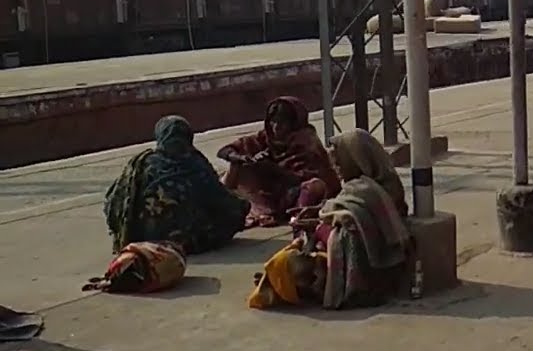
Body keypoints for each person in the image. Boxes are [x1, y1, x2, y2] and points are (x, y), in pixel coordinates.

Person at [251, 129, 411, 311]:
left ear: (356, 160)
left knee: (289, 262)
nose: (337, 171)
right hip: (363, 262)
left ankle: (277, 284)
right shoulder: (385, 184)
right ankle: (276, 281)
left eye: (340, 165)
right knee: (293, 259)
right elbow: (343, 209)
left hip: (362, 267)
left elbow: (350, 223)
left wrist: (318, 225)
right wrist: (320, 214)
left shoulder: (363, 188)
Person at [103, 115, 249, 255]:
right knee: (237, 209)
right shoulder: (194, 163)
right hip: (190, 241)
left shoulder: (141, 163)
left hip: (143, 241)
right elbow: (222, 200)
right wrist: (242, 205)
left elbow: (113, 202)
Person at [219, 96, 341, 229]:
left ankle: (298, 217)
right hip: (271, 194)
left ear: (293, 123)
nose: (276, 127)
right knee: (239, 167)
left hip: (296, 193)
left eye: (282, 123)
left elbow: (307, 177)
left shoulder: (306, 141)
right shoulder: (266, 137)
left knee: (313, 187)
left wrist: (272, 169)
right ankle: (257, 210)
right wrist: (241, 158)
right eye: (273, 122)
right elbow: (226, 151)